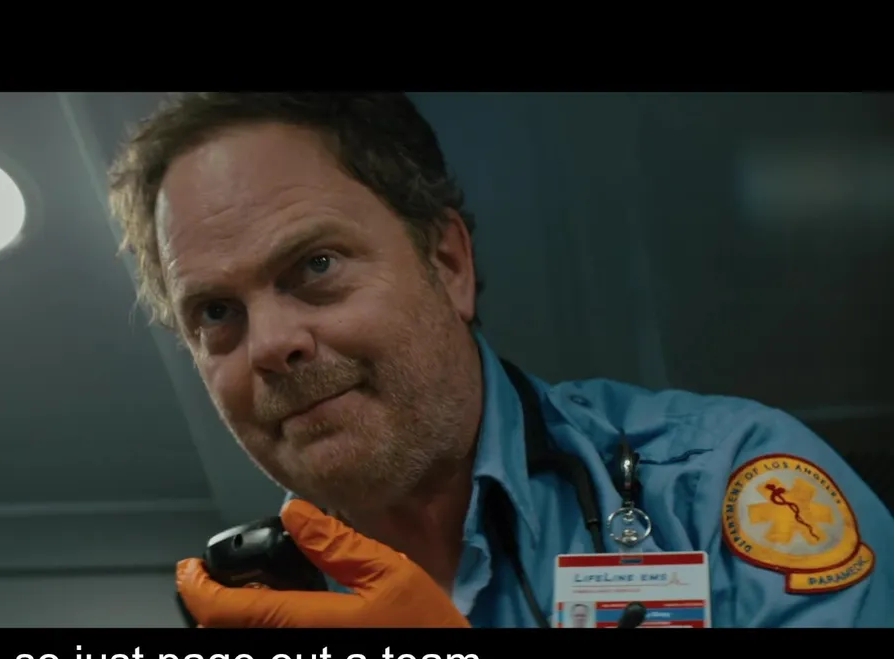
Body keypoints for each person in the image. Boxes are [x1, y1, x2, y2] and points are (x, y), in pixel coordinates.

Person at [106, 92, 894, 628]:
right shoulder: (251, 613)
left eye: (315, 266)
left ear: (448, 262)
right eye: (217, 314)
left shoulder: (727, 485)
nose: (270, 344)